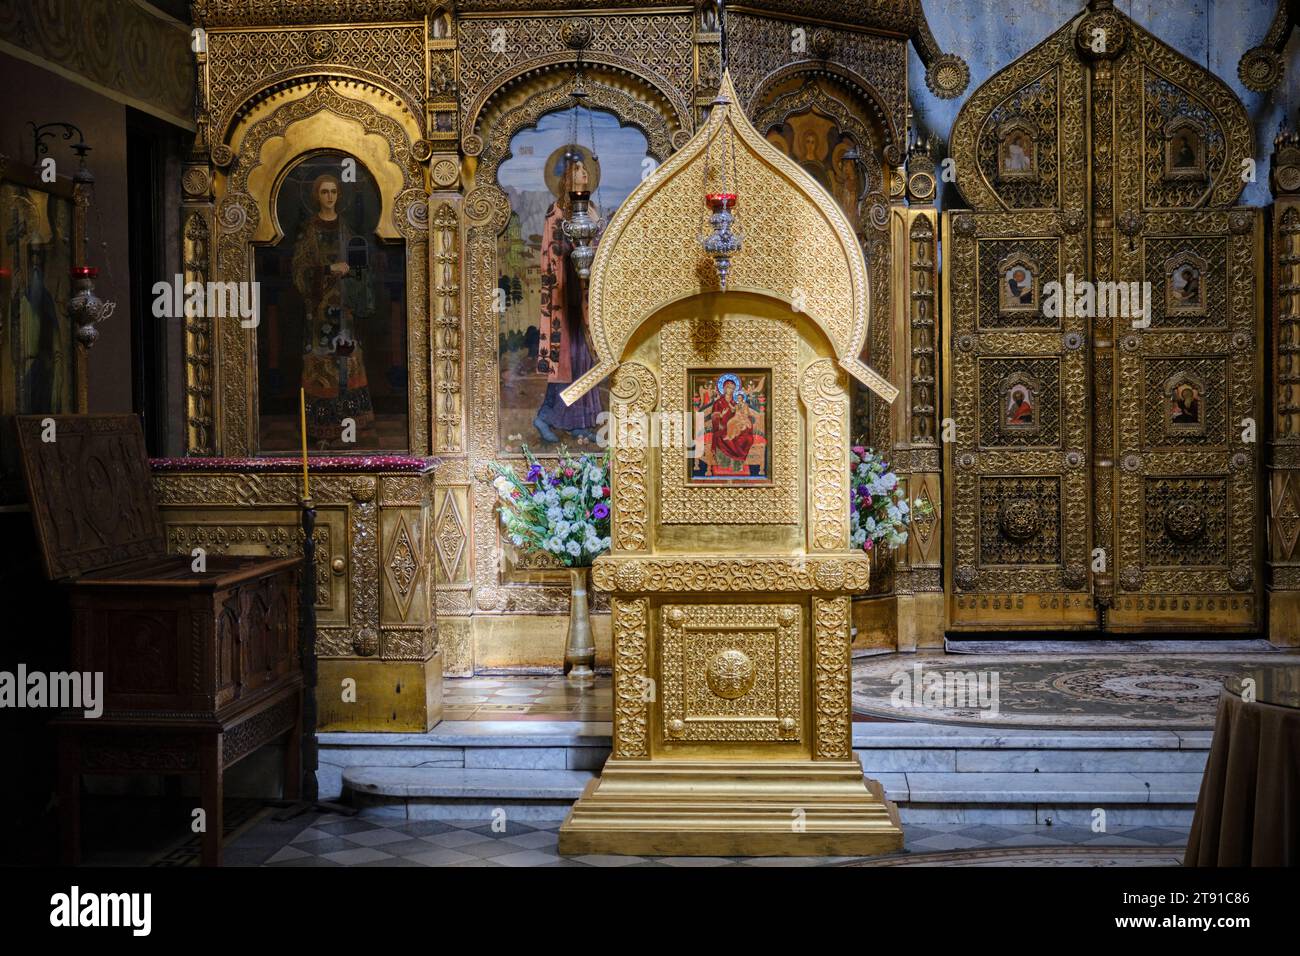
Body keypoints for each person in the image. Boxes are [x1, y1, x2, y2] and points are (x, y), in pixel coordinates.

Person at [293, 172, 376, 448]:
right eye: (324, 192)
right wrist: (330, 269)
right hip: (319, 313)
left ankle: (348, 427)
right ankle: (322, 430)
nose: (329, 197)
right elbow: (300, 271)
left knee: (348, 361)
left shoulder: (345, 228)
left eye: (333, 192)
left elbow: (359, 264)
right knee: (323, 365)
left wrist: (353, 272)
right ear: (316, 196)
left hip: (345, 311)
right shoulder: (309, 230)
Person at [533, 152, 602, 445]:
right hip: (567, 298)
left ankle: (577, 423)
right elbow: (550, 255)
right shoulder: (557, 211)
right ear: (567, 178)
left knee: (584, 362)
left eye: (586, 172)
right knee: (565, 364)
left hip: (585, 297)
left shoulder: (593, 209)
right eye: (578, 172)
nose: (584, 175)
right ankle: (545, 417)